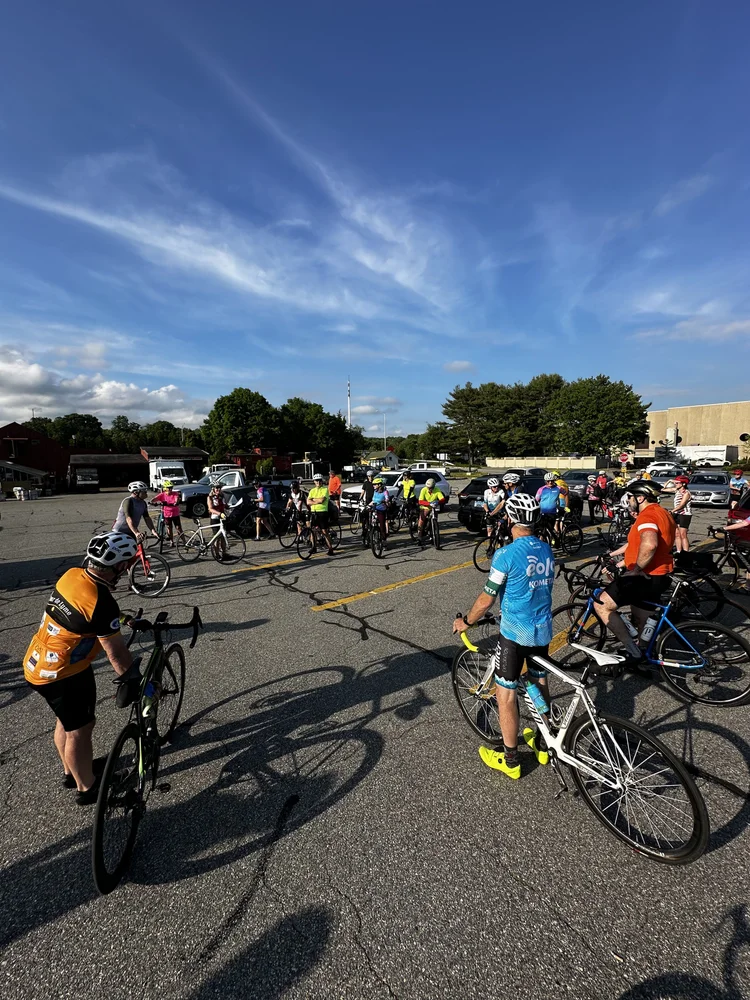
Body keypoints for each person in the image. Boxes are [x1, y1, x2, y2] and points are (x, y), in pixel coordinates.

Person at [23, 532, 139, 804]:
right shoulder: (102, 602)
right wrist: (136, 682)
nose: (129, 568)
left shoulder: (72, 575)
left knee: (66, 720)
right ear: (119, 566)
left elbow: (84, 610)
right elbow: (117, 654)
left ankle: (71, 772)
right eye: (128, 563)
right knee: (80, 729)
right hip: (64, 673)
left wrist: (121, 618)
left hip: (38, 663)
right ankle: (87, 788)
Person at [453, 493, 554, 780]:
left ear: (509, 518)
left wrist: (466, 622)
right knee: (539, 681)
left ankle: (510, 759)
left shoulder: (506, 555)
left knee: (506, 695)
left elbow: (487, 599)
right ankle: (543, 744)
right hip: (542, 629)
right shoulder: (547, 549)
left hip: (515, 633)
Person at [594, 480, 676, 664]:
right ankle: (646, 652)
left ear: (640, 498)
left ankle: (633, 652)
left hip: (645, 576)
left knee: (601, 604)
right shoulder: (663, 513)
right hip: (660, 574)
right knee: (641, 617)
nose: (628, 500)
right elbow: (639, 546)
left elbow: (650, 544)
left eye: (630, 497)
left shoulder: (647, 516)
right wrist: (623, 563)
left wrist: (636, 570)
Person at [662, 474, 693, 553]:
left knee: (683, 534)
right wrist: (670, 480)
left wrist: (672, 511)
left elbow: (681, 505)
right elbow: (662, 489)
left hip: (685, 514)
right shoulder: (676, 490)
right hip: (676, 514)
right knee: (677, 534)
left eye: (677, 483)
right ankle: (679, 551)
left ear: (683, 484)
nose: (675, 484)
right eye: (675, 483)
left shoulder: (686, 493)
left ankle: (686, 553)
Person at [308, 472, 336, 555]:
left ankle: (330, 548)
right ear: (314, 481)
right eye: (316, 481)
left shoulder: (325, 489)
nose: (318, 482)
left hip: (323, 512)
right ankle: (314, 547)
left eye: (320, 481)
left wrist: (313, 500)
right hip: (314, 512)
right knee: (313, 531)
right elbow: (308, 502)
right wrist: (316, 501)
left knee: (324, 532)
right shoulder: (312, 490)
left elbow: (322, 500)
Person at [151, 480, 183, 546]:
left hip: (175, 514)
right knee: (169, 528)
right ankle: (171, 541)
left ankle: (184, 541)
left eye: (171, 488)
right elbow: (154, 499)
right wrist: (152, 502)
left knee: (178, 528)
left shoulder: (175, 494)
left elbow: (176, 501)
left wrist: (173, 503)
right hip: (167, 514)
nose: (170, 489)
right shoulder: (162, 495)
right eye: (169, 488)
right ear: (165, 488)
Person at [416, 477, 446, 547]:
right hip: (425, 507)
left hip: (433, 508)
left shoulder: (437, 490)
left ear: (434, 486)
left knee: (434, 519)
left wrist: (438, 501)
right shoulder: (423, 490)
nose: (429, 489)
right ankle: (419, 537)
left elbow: (442, 498)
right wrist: (428, 503)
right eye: (428, 487)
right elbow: (420, 501)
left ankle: (432, 535)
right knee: (421, 521)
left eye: (431, 488)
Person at [535, 473, 564, 538]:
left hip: (552, 512)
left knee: (550, 529)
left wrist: (563, 504)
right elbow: (536, 499)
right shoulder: (541, 489)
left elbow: (566, 493)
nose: (550, 482)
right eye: (548, 481)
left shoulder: (558, 488)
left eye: (552, 481)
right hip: (542, 512)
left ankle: (556, 538)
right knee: (542, 529)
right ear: (545, 481)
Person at [208, 482, 228, 560]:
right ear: (213, 489)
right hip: (215, 518)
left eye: (219, 488)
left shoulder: (221, 496)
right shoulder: (210, 497)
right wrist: (219, 513)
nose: (218, 489)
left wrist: (230, 506)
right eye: (216, 488)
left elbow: (224, 505)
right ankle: (216, 554)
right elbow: (210, 508)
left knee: (223, 536)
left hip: (222, 518)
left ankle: (224, 553)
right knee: (217, 537)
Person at [369, 476, 390, 541]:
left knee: (382, 526)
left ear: (379, 485)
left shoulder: (385, 492)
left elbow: (387, 499)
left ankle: (384, 540)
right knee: (371, 523)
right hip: (375, 509)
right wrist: (367, 505)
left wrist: (385, 501)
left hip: (382, 510)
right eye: (373, 485)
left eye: (375, 484)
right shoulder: (375, 492)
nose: (373, 486)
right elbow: (373, 501)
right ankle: (373, 535)